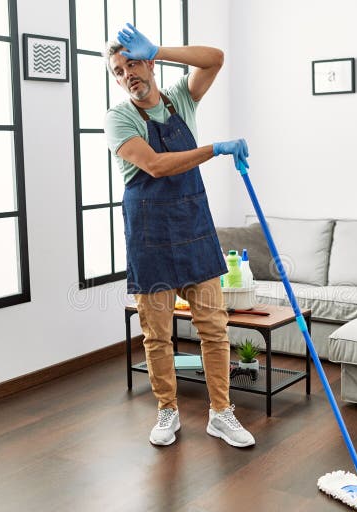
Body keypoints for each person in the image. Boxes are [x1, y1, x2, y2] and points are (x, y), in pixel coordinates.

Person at [104, 24, 255, 448]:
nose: (127, 74)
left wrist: (161, 48)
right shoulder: (119, 118)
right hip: (149, 235)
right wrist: (214, 149)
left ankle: (221, 413)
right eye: (118, 70)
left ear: (149, 63)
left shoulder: (181, 99)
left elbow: (215, 59)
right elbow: (155, 166)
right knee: (157, 334)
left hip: (192, 227)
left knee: (214, 327)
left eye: (133, 63)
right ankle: (167, 410)